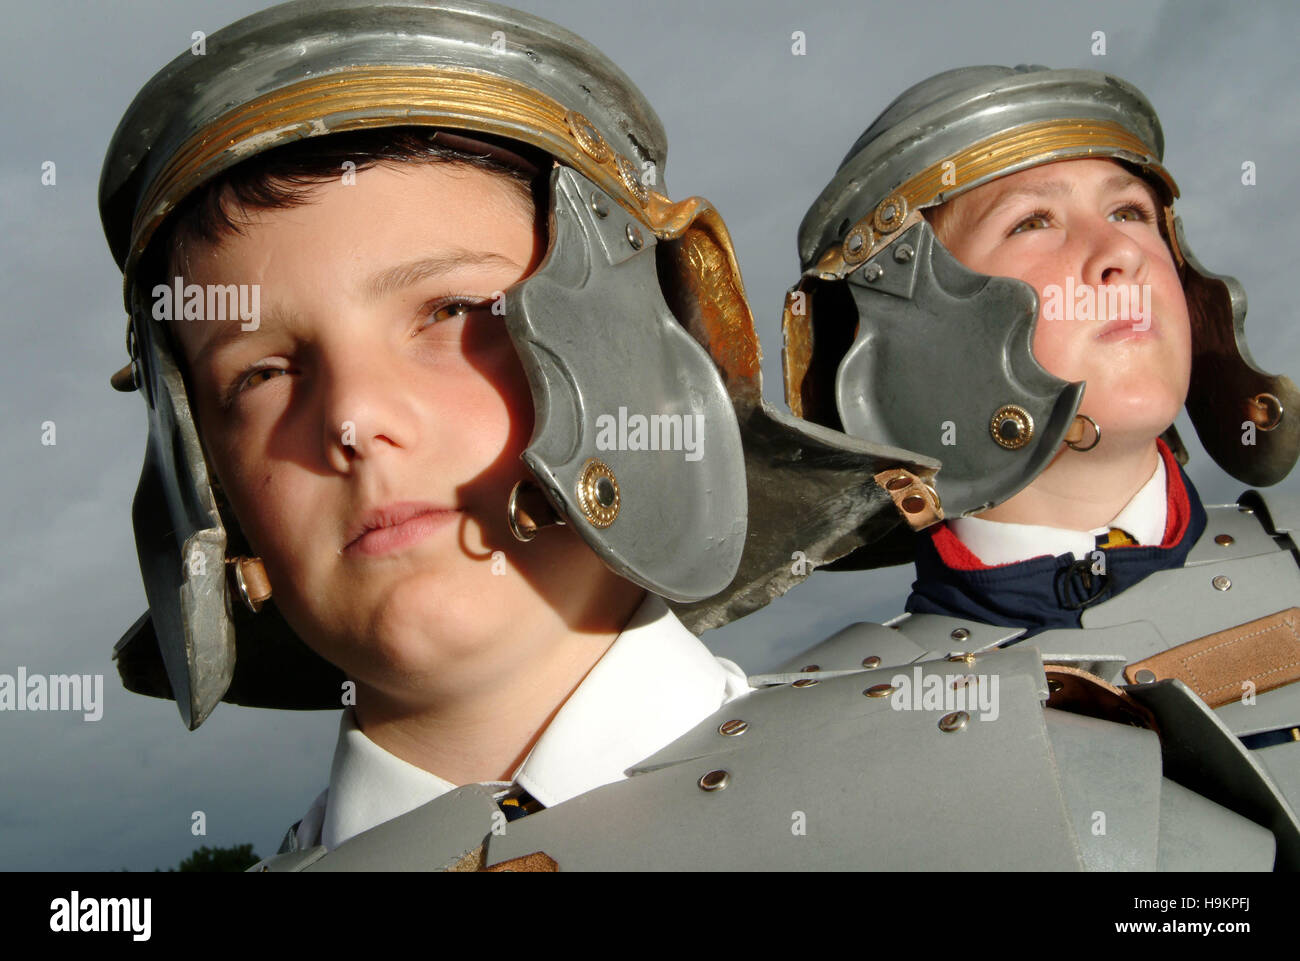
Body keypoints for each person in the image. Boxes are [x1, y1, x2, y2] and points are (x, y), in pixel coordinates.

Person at [101, 8, 1281, 870]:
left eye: (453, 312)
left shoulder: (1088, 808)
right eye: (258, 371)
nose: (351, 418)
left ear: (641, 343)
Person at [781, 64, 1300, 830]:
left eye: (1130, 210)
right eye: (1033, 221)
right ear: (906, 341)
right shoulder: (808, 746)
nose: (1117, 254)